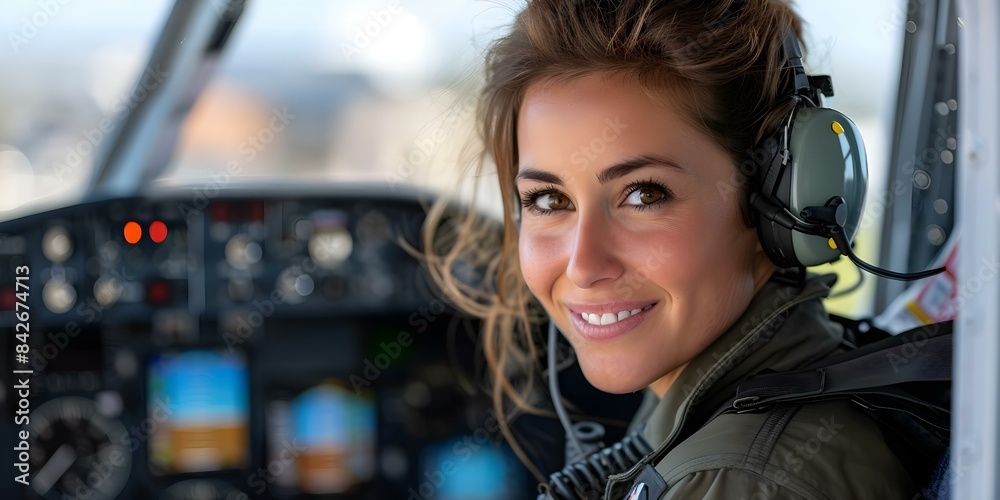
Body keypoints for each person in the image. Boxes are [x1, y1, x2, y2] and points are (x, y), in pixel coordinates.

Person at [424, 0, 914, 498]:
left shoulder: (739, 481)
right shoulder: (724, 411)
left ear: (780, 201)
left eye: (644, 195)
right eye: (549, 200)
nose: (584, 266)